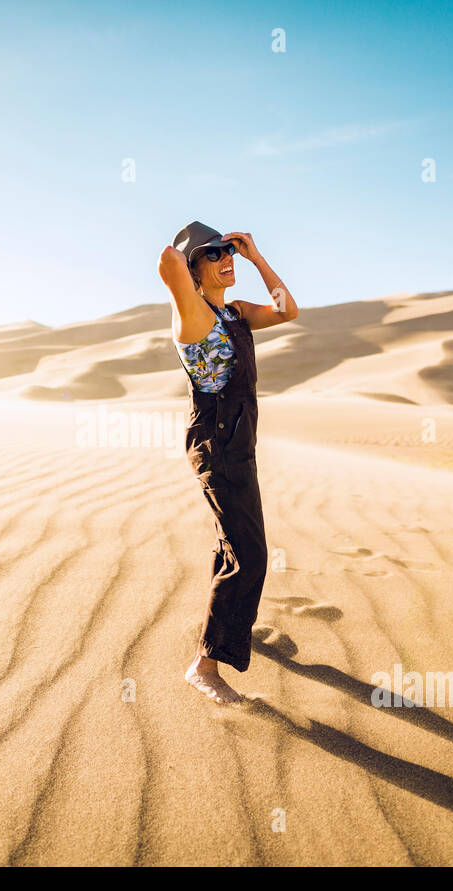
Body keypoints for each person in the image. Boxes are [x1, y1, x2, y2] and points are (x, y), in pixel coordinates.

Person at [157, 221, 299, 703]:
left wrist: (255, 255)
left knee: (233, 545)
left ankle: (223, 632)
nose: (226, 257)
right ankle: (205, 665)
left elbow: (287, 310)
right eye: (214, 253)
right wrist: (191, 251)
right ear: (194, 269)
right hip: (218, 448)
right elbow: (168, 261)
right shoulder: (192, 318)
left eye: (227, 251)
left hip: (240, 444)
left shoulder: (235, 313)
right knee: (252, 556)